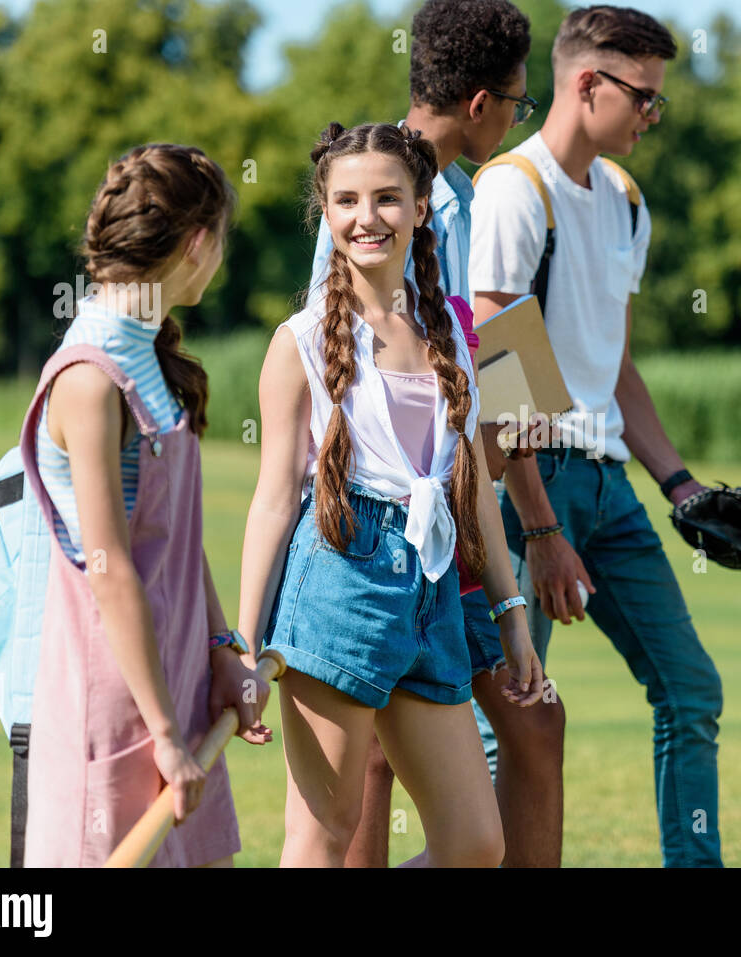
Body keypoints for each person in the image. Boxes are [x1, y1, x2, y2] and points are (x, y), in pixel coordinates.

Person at [239, 121, 543, 867]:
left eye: (385, 198)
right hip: (338, 587)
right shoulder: (300, 340)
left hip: (434, 594)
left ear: (419, 207)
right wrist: (243, 647)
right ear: (326, 211)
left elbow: (471, 494)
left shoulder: (450, 334)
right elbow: (274, 499)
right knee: (323, 837)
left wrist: (511, 615)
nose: (365, 217)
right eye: (346, 200)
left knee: (475, 842)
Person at [307, 0, 567, 868]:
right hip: (377, 534)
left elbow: (473, 362)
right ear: (483, 100)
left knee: (510, 734)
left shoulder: (450, 195)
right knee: (370, 770)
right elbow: (338, 373)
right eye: (521, 104)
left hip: (453, 522)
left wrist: (510, 415)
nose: (518, 120)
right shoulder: (381, 194)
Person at [468, 4, 724, 867]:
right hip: (526, 487)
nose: (653, 115)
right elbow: (505, 365)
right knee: (514, 717)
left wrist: (679, 482)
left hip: (612, 488)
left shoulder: (623, 198)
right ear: (587, 84)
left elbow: (610, 363)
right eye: (645, 99)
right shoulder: (512, 189)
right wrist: (541, 530)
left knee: (691, 689)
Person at [18, 143, 270, 868]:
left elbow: (177, 543)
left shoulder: (149, 353)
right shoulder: (89, 377)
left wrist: (223, 650)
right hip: (120, 704)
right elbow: (111, 569)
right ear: (198, 244)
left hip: (180, 681)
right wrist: (161, 729)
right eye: (221, 238)